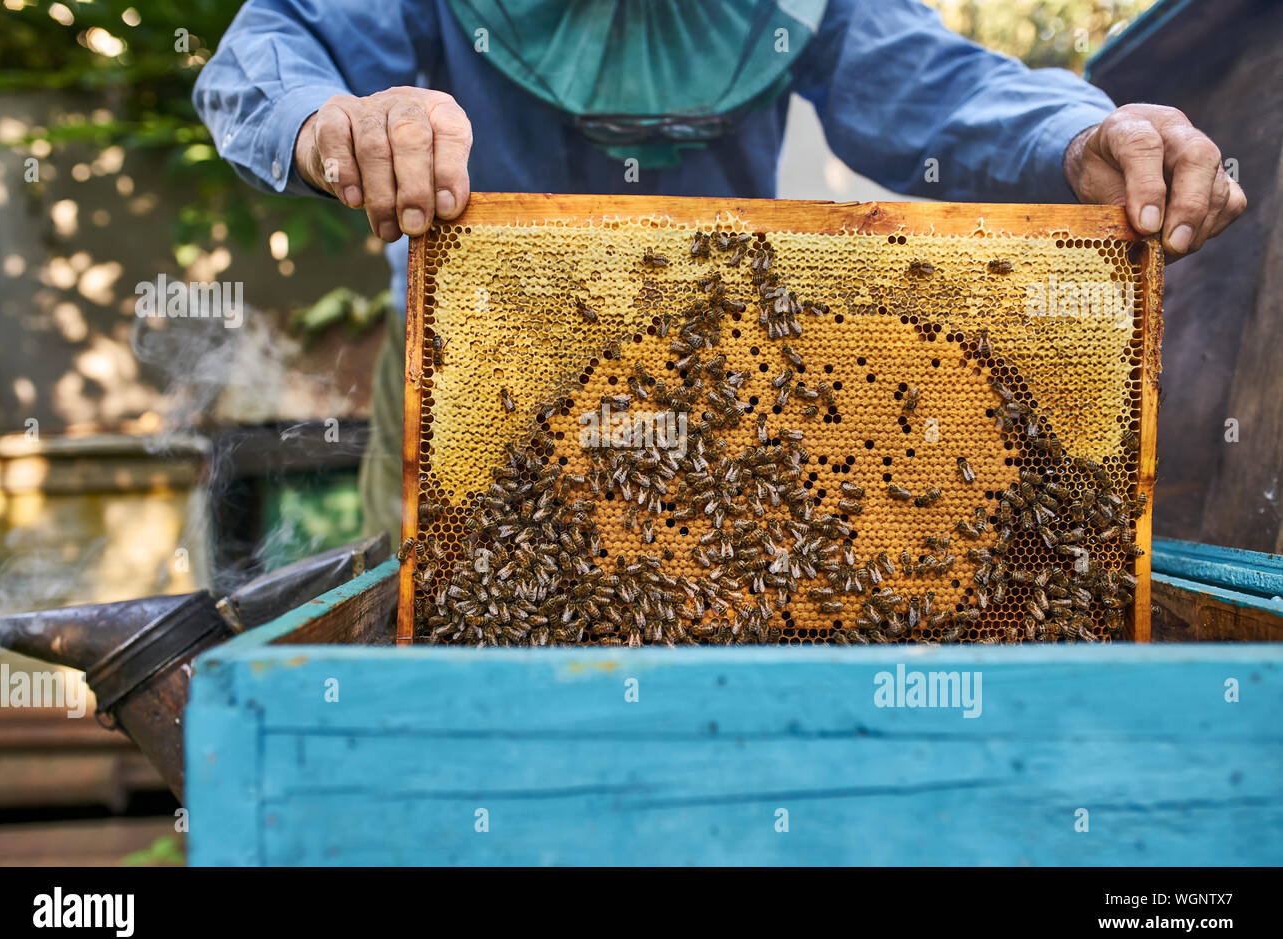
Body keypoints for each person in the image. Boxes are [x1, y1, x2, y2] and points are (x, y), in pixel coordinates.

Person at [193, 0, 1246, 546]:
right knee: (430, 684)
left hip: (722, 381)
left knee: (708, 657)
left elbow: (934, 85)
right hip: (467, 378)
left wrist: (1078, 135)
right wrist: (334, 122)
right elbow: (268, 45)